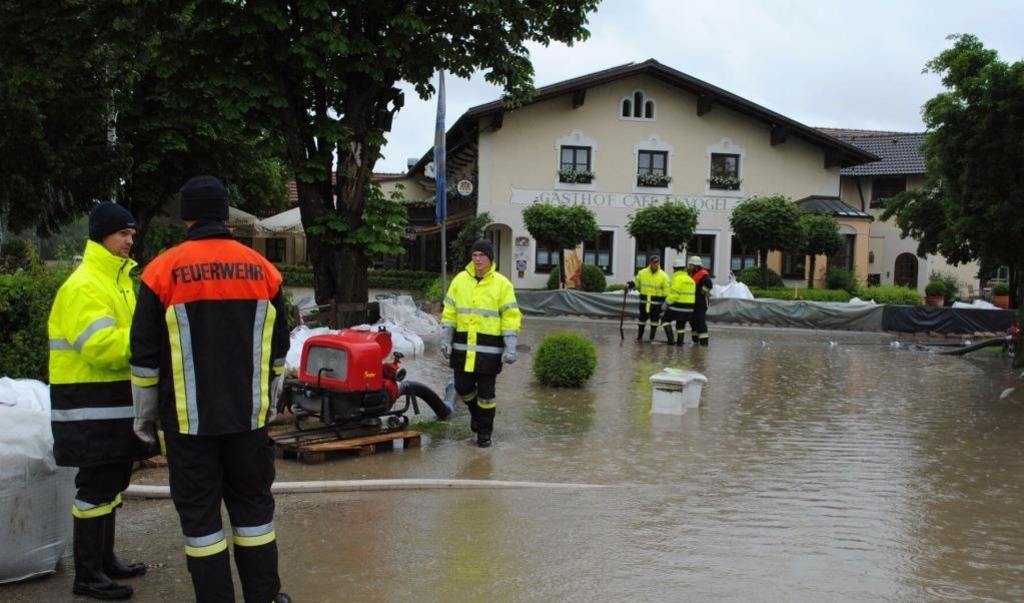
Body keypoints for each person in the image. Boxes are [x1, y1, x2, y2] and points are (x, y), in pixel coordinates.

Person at [129, 176, 291, 603]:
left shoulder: (161, 271)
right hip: (248, 420)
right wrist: (269, 403)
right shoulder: (264, 271)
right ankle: (265, 596)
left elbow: (144, 356)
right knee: (254, 513)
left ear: (187, 217)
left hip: (187, 423)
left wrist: (144, 418)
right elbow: (280, 351)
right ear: (224, 215)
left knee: (201, 523)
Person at [48, 202, 158, 600]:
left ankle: (105, 561)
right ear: (102, 235)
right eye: (123, 233)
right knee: (95, 488)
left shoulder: (117, 281)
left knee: (113, 482)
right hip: (88, 406)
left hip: (110, 403)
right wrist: (149, 341)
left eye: (132, 233)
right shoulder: (85, 285)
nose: (131, 240)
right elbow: (98, 346)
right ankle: (88, 575)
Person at [439, 240, 522, 448]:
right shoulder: (460, 280)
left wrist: (510, 347)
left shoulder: (502, 284)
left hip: (489, 351)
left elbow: (510, 317)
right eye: (474, 255)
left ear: (490, 258)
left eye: (481, 255)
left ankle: (484, 433)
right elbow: (449, 312)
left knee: (487, 394)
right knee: (462, 386)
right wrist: (446, 340)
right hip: (462, 347)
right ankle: (477, 416)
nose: (477, 259)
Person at [626, 255, 672, 343]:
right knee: (642, 321)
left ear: (659, 263)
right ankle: (639, 337)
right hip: (644, 303)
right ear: (650, 262)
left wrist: (664, 303)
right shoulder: (642, 273)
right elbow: (637, 283)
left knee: (654, 322)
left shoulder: (664, 276)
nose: (655, 264)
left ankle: (651, 338)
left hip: (656, 304)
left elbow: (667, 291)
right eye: (653, 262)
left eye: (656, 262)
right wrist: (629, 284)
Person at [665, 257, 697, 347]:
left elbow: (674, 295)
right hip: (690, 309)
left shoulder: (677, 278)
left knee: (665, 320)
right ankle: (680, 344)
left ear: (674, 269)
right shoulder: (691, 280)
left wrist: (666, 303)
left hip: (678, 307)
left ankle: (671, 341)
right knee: (681, 326)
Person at [687, 256, 714, 346]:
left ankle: (704, 342)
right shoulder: (690, 273)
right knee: (693, 322)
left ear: (696, 266)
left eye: (691, 265)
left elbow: (709, 284)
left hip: (701, 302)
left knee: (700, 321)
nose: (689, 266)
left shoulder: (703, 274)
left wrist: (703, 291)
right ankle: (695, 341)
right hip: (693, 301)